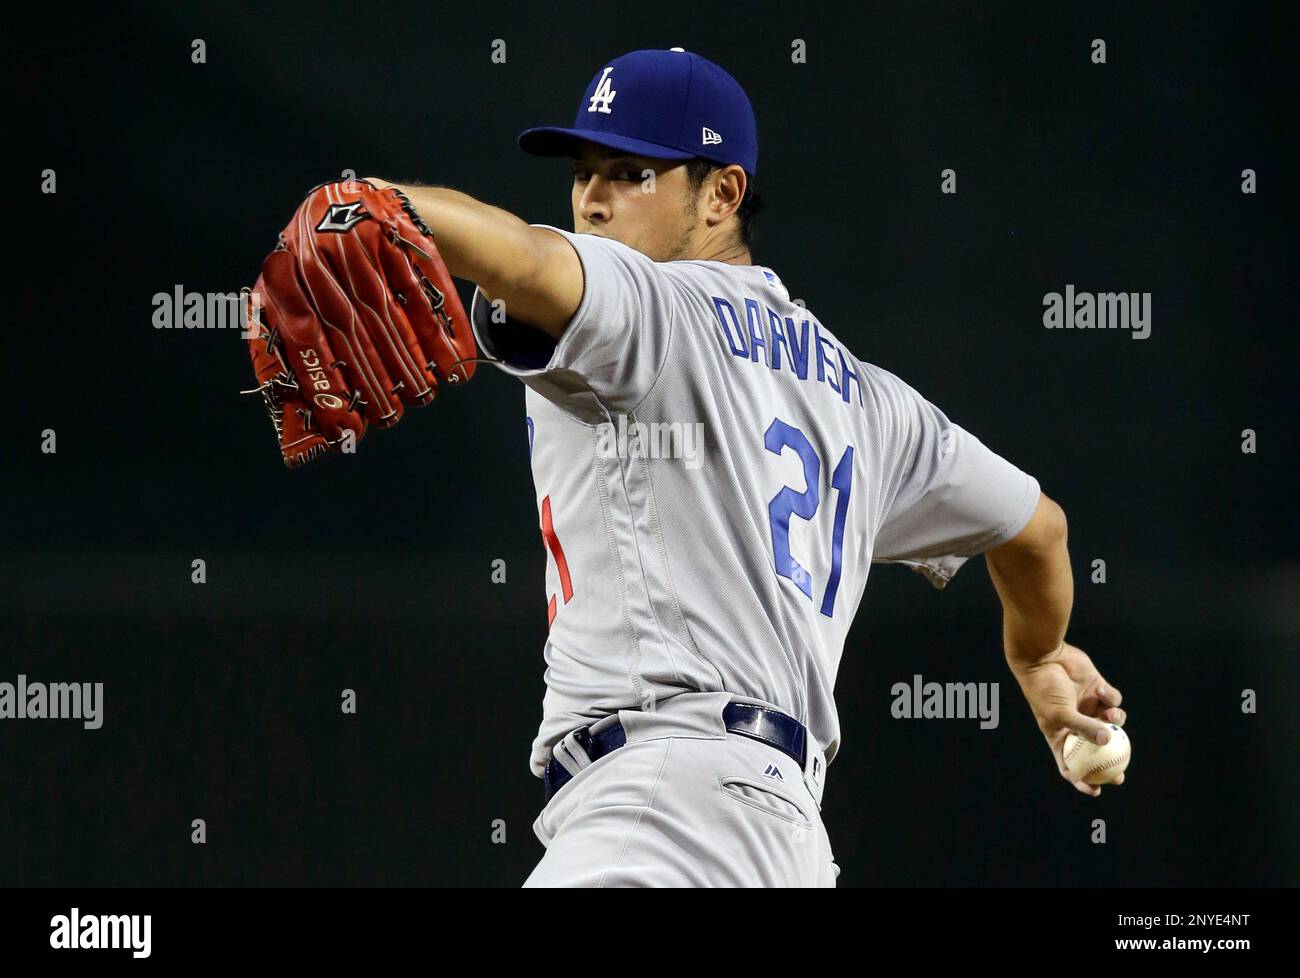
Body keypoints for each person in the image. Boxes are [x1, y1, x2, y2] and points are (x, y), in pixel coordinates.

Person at [368, 47, 1126, 887]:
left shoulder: (653, 306)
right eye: (584, 171)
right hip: (787, 839)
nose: (593, 198)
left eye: (631, 172)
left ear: (723, 194)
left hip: (662, 813)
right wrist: (1038, 652)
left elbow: (519, 255)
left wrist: (369, 205)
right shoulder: (871, 403)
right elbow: (1036, 528)